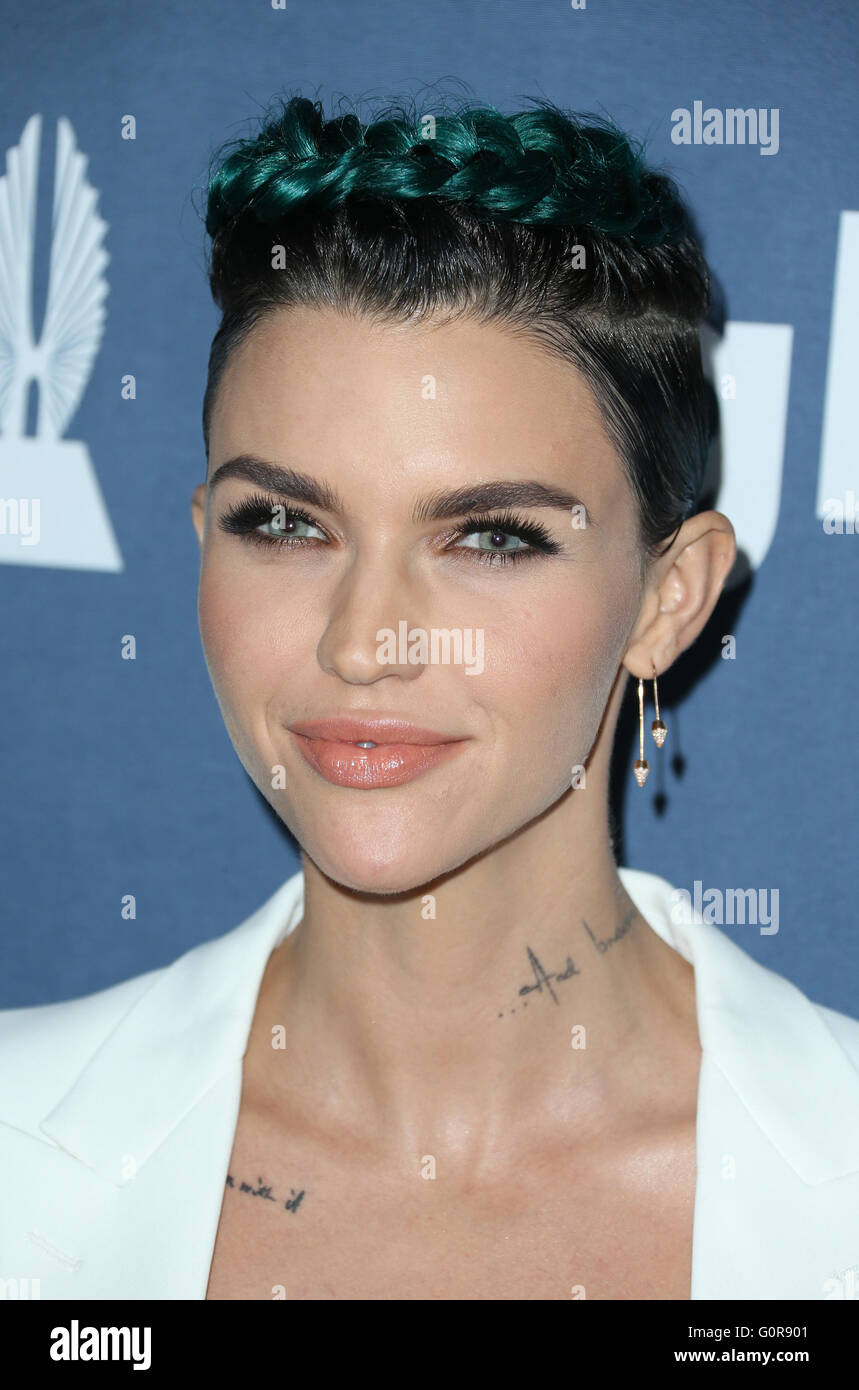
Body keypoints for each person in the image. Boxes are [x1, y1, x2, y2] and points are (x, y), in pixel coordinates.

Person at [1, 91, 858, 1302]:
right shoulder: (16, 1150)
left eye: (492, 538)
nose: (363, 643)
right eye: (285, 524)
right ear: (203, 539)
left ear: (668, 598)